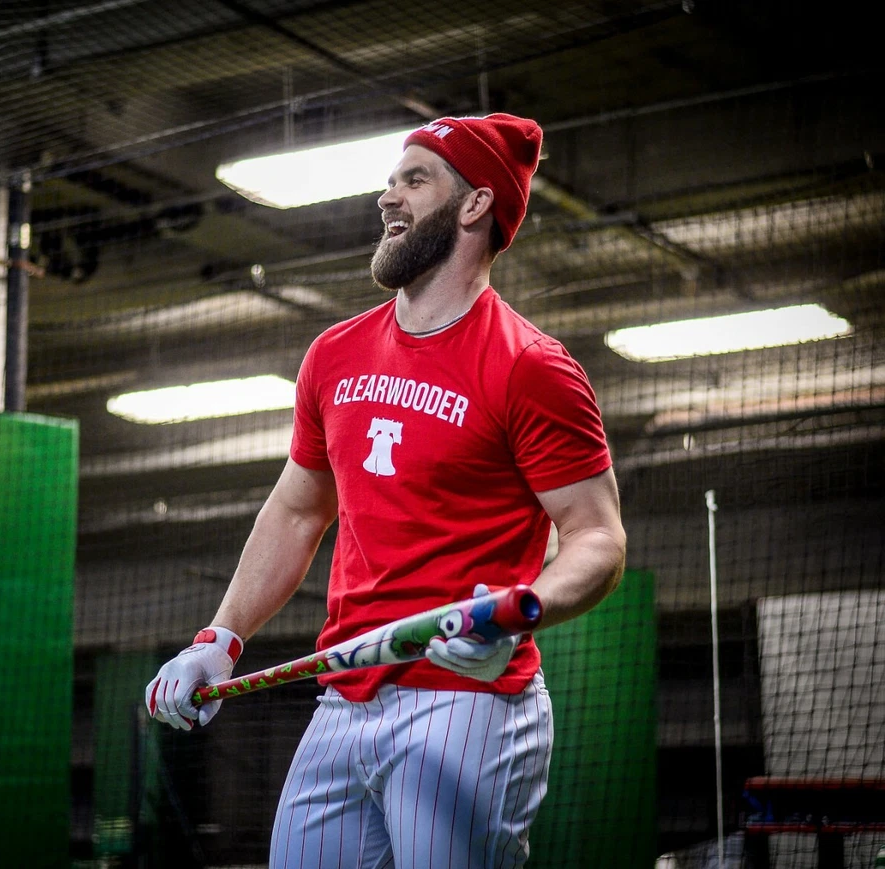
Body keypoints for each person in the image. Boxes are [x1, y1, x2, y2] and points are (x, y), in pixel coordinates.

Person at [145, 113, 627, 869]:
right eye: (389, 179)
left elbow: (598, 537)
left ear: (474, 204)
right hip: (344, 691)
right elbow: (300, 508)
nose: (386, 196)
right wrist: (221, 637)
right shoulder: (333, 354)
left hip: (469, 699)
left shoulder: (532, 366)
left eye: (414, 178)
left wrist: (515, 613)